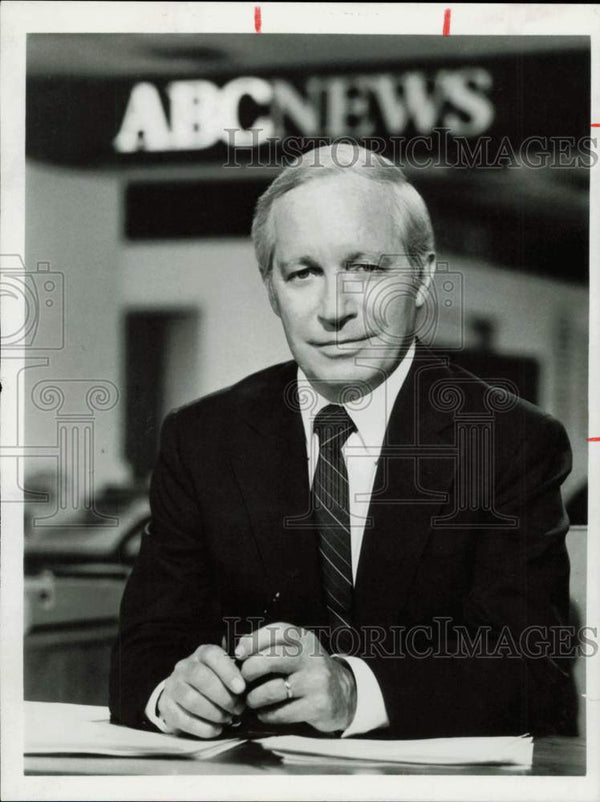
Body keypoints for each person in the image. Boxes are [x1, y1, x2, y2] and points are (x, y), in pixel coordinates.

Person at [109, 144, 576, 740]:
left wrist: (354, 690)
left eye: (366, 269)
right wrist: (171, 694)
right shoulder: (201, 439)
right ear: (271, 289)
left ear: (423, 275)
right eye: (303, 273)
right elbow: (141, 654)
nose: (334, 309)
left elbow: (534, 673)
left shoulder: (510, 441)